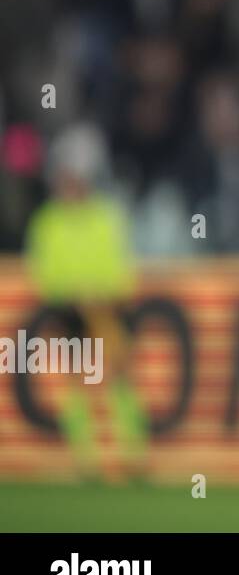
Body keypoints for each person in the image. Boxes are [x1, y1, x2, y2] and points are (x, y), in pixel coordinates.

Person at [24, 123, 148, 479]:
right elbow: (45, 276)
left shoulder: (106, 217)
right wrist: (75, 293)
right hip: (70, 312)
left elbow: (122, 270)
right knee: (77, 382)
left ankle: (133, 455)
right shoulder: (47, 222)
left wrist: (102, 293)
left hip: (106, 309)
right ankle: (86, 459)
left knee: (120, 376)